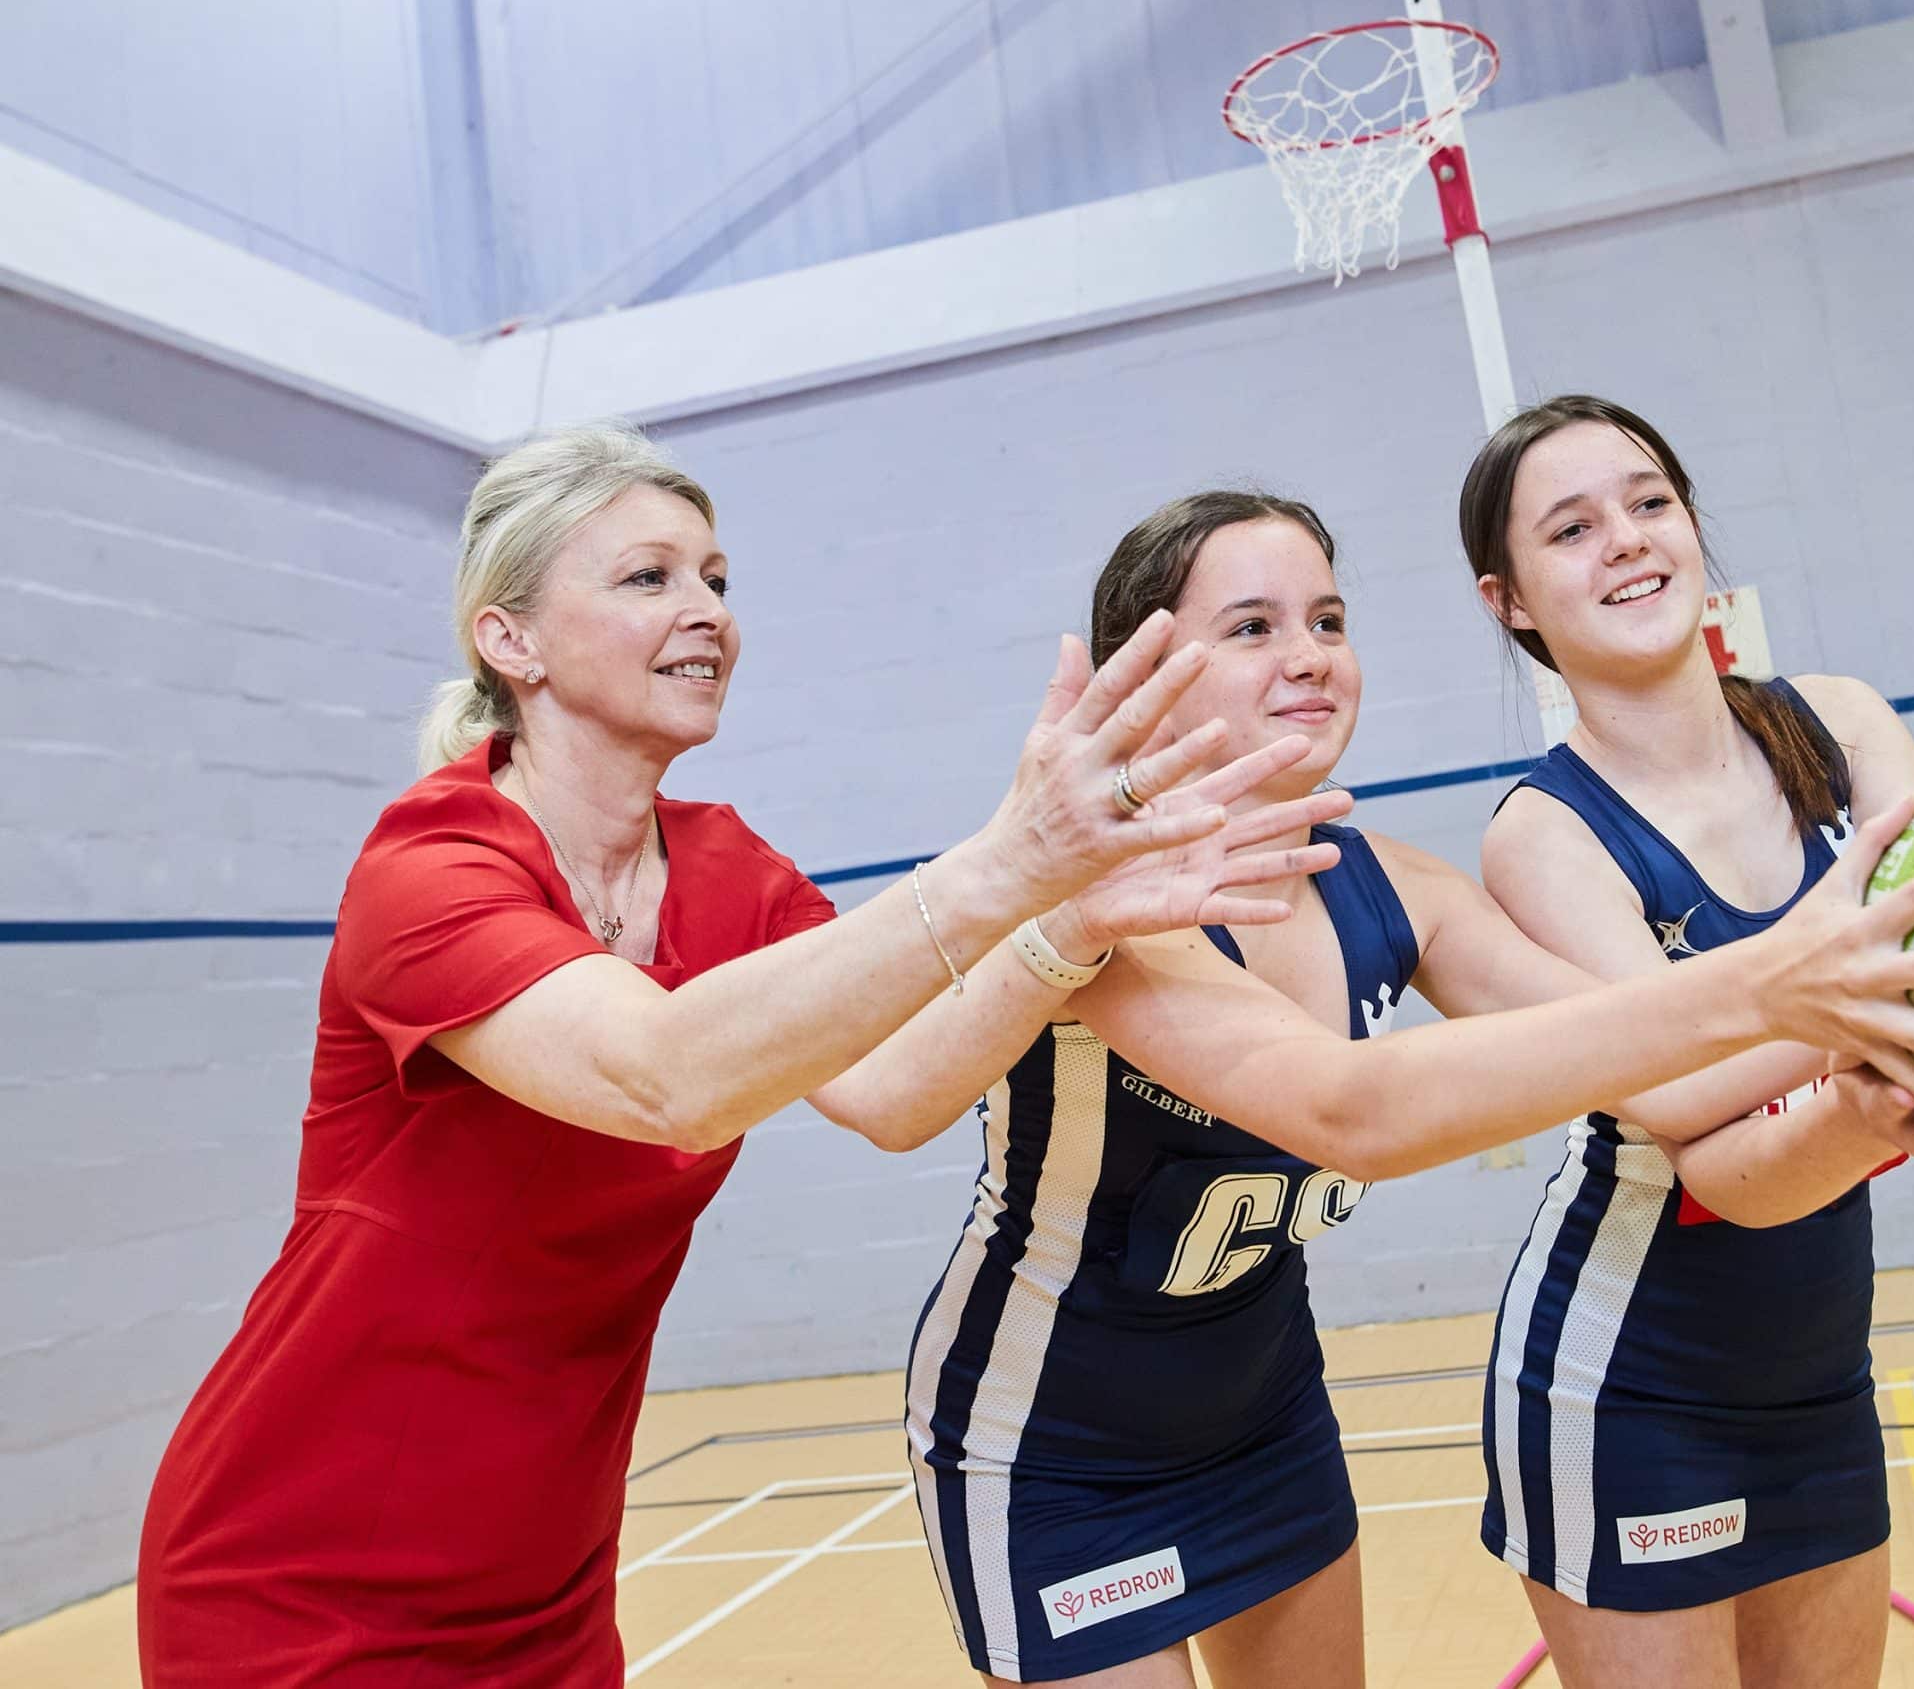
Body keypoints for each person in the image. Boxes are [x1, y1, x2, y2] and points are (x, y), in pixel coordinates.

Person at [134, 423, 1352, 1687]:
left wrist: (1074, 915)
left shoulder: (730, 872)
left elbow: (894, 1092)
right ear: (512, 641)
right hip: (296, 1576)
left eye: (717, 578)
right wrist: (1007, 867)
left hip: (540, 1584)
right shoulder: (429, 871)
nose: (706, 609)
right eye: (648, 578)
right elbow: (666, 1078)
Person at [815, 489, 1914, 1686]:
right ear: (1148, 681)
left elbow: (1662, 1070)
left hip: (1266, 1420)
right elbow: (1353, 1111)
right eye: (1253, 628)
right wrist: (1793, 979)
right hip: (1051, 1454)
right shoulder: (1118, 910)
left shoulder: (1392, 888)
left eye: (1329, 621)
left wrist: (1898, 1023)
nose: (1308, 656)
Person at [1460, 394, 1914, 1689]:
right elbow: (1692, 1121)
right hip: (1626, 1383)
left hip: (1818, 1375)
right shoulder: (1544, 834)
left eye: (1649, 502)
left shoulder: (1838, 723)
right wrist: (1880, 1013)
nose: (1625, 539)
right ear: (1511, 600)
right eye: (1573, 527)